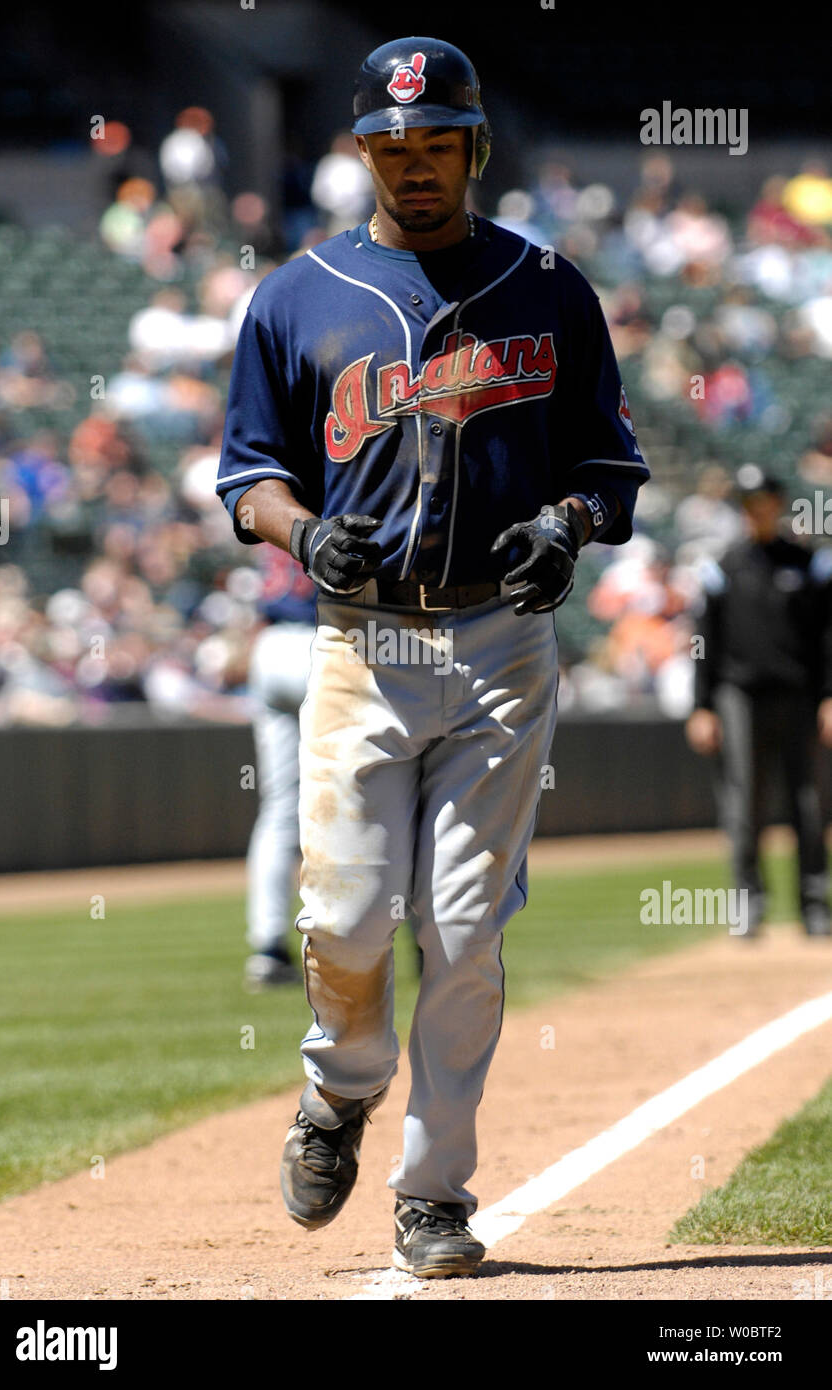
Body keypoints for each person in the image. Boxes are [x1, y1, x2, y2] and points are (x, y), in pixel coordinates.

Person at [216, 35, 649, 1278]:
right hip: (362, 641)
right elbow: (248, 474)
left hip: (502, 646)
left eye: (436, 144)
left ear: (473, 148)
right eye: (392, 146)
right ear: (362, 152)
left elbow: (608, 468)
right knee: (347, 918)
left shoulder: (547, 283)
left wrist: (564, 527)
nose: (414, 165)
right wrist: (305, 533)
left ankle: (434, 1195)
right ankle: (338, 1090)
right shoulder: (295, 295)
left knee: (462, 925)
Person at [686, 464, 832, 937]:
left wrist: (829, 696)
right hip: (738, 697)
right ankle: (749, 903)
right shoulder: (723, 567)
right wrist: (702, 705)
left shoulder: (806, 564)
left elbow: (826, 640)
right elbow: (703, 641)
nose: (758, 510)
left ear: (777, 503)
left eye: (765, 500)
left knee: (808, 804)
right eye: (750, 503)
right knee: (744, 803)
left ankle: (813, 904)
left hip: (799, 697)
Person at [243, 545, 317, 990]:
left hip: (269, 646)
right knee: (374, 792)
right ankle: (407, 941)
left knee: (279, 810)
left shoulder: (277, 493)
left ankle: (268, 947)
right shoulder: (348, 483)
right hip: (322, 642)